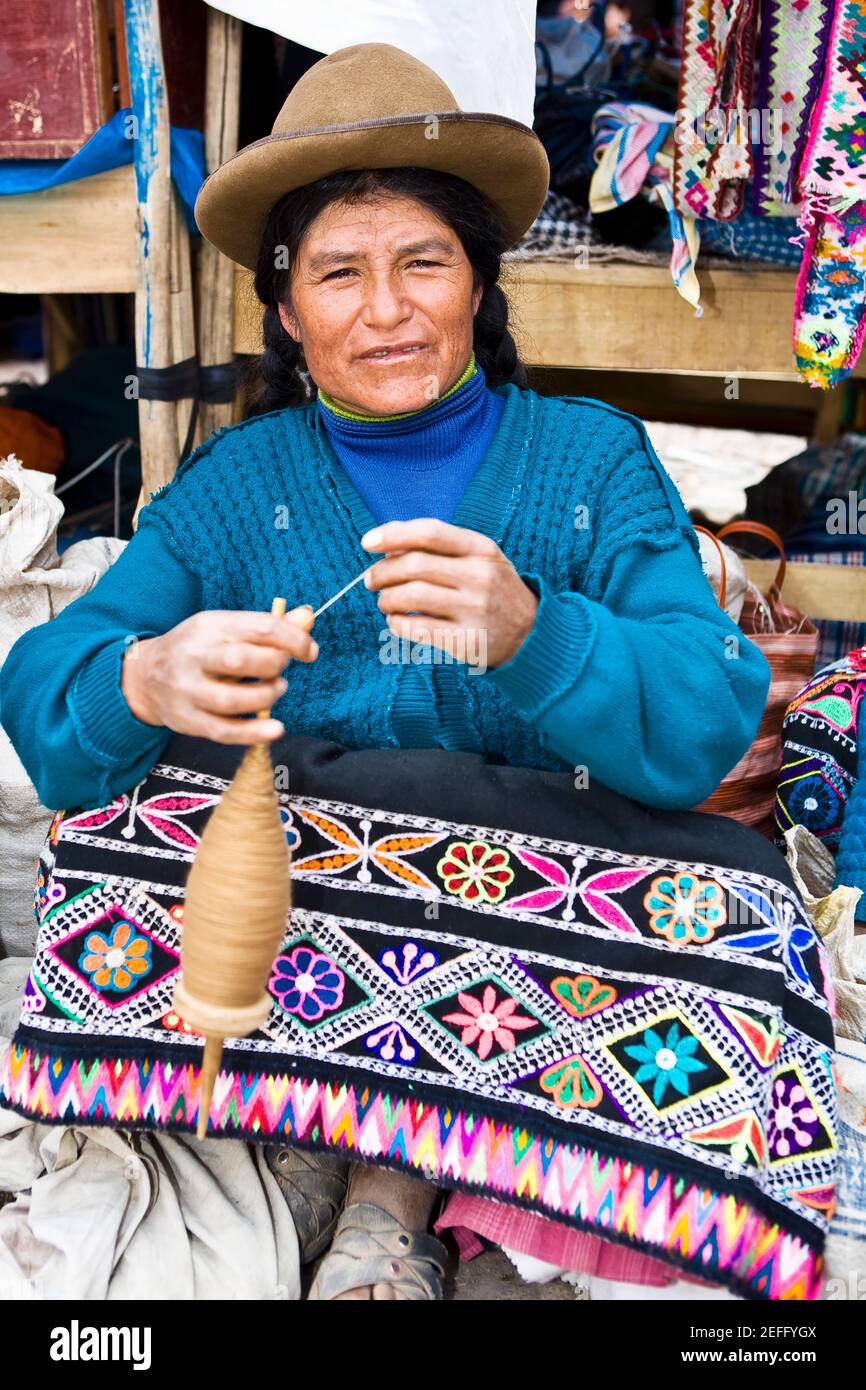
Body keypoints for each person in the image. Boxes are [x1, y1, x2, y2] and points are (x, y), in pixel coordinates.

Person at [0, 42, 771, 1300]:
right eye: (338, 274)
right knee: (109, 840)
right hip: (308, 929)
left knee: (739, 916)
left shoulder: (589, 466)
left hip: (518, 948)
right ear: (288, 309)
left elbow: (700, 718)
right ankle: (328, 1124)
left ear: (479, 284)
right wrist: (143, 676)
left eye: (423, 262)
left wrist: (535, 632)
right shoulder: (232, 491)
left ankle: (388, 1173)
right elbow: (47, 690)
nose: (385, 309)